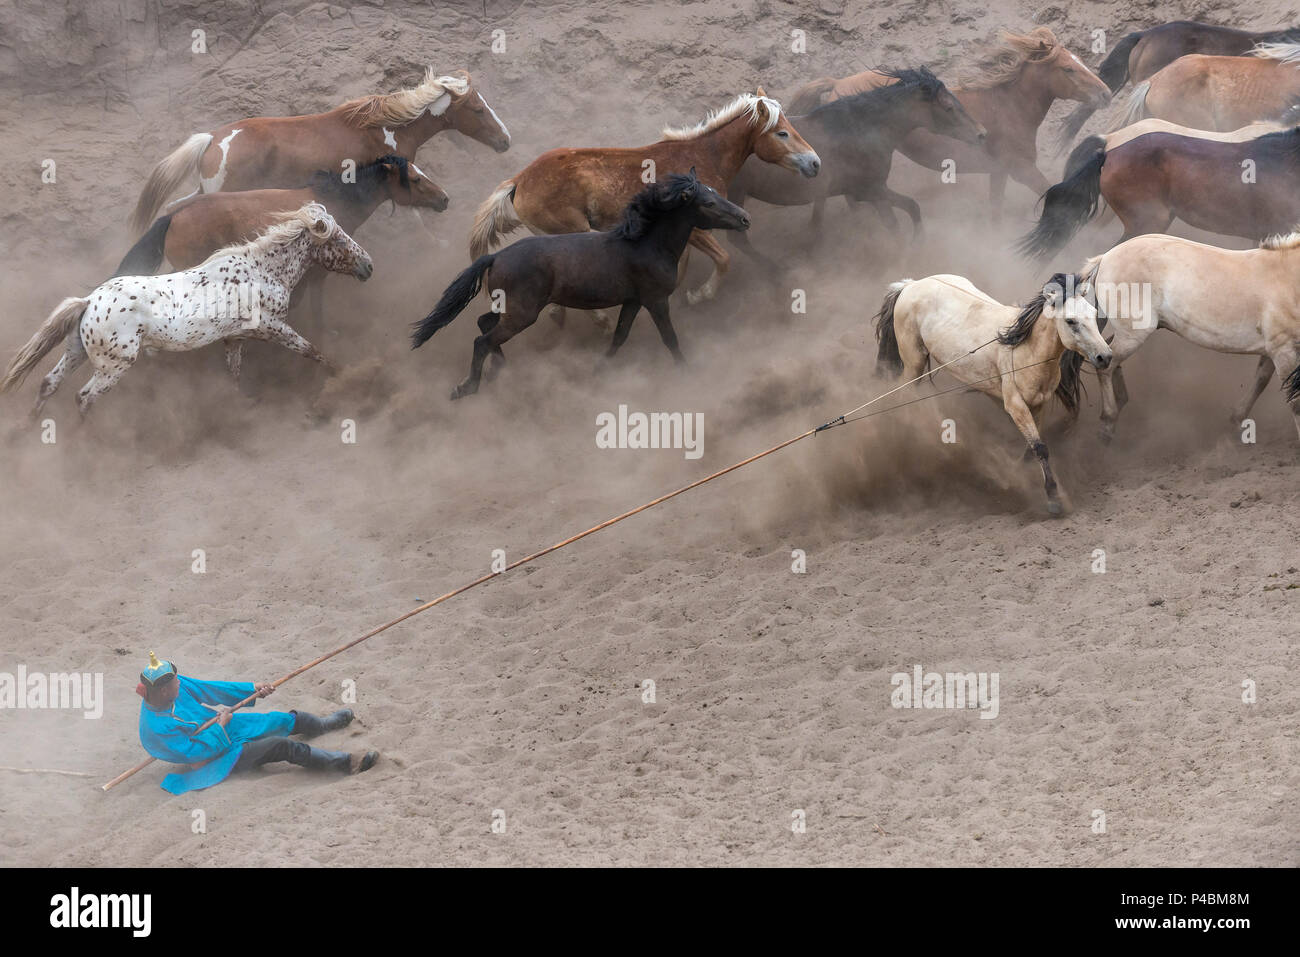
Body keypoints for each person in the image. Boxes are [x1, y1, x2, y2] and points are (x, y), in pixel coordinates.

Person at [136, 651, 378, 794]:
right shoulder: (155, 727)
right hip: (217, 757)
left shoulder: (174, 686)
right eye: (176, 683)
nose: (181, 683)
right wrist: (220, 726)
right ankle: (347, 764)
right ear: (164, 691)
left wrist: (251, 689)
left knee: (280, 719)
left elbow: (211, 689)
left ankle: (323, 725)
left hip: (224, 726)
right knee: (278, 745)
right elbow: (194, 752)